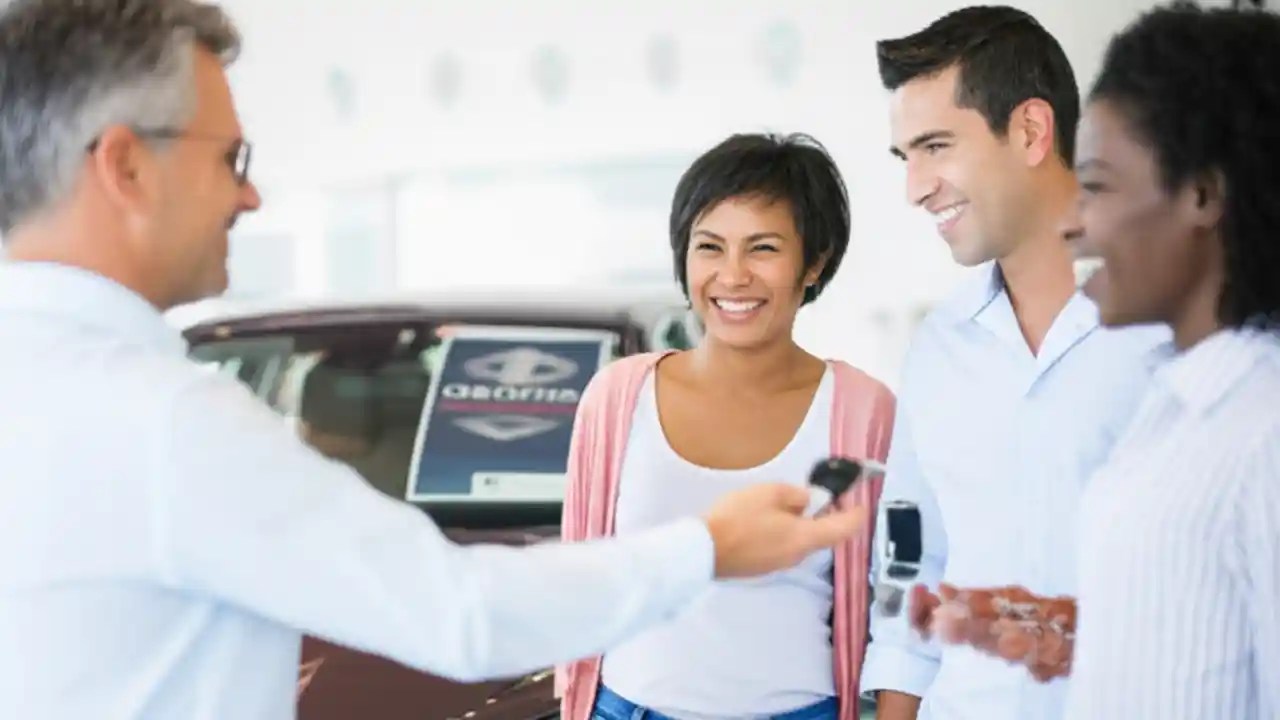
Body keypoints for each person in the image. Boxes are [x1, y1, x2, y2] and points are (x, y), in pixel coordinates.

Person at [0, 2, 868, 718]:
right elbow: (463, 614)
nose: (250, 193)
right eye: (232, 157)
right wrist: (709, 546)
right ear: (126, 166)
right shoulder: (164, 422)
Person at [933, 5, 1280, 719]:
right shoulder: (1172, 408)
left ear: (1203, 195)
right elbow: (1187, 634)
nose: (1070, 222)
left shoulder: (1264, 432)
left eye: (1096, 186)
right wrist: (1049, 629)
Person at [858, 6, 1171, 720]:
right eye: (906, 158)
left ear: (1031, 130)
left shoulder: (1176, 327)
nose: (916, 187)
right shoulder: (938, 348)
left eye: (936, 146)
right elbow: (908, 562)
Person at [555, 133, 896, 720]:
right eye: (709, 247)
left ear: (814, 262)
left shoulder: (863, 409)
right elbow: (580, 581)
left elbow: (899, 603)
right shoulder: (617, 397)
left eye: (763, 248)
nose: (732, 276)